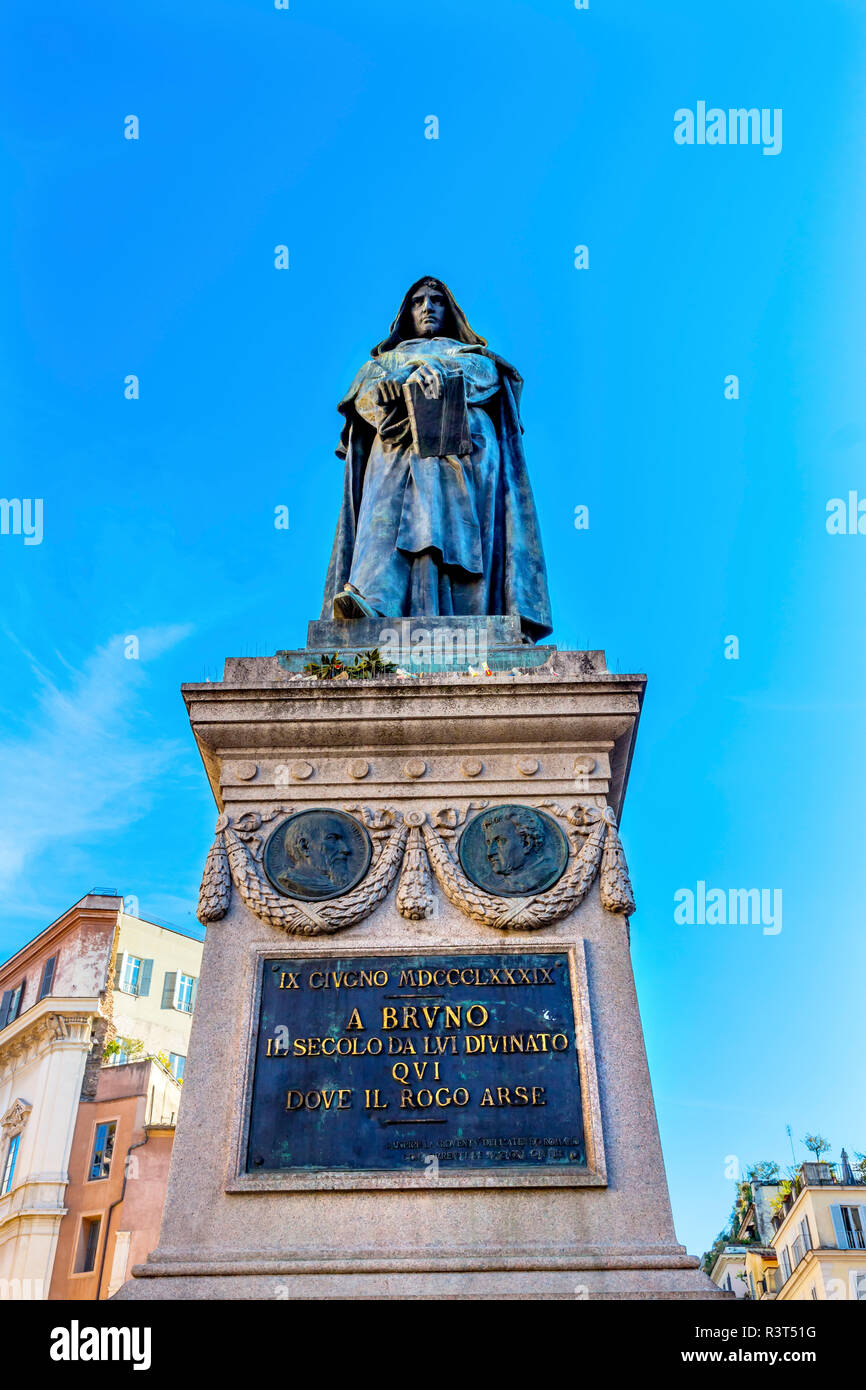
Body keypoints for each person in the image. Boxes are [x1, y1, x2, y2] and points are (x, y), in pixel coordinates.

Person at [321, 277, 552, 641]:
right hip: (397, 448)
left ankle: (478, 615)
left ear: (450, 310)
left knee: (465, 529)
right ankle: (375, 601)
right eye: (417, 301)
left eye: (436, 300)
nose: (427, 307)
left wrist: (441, 372)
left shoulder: (473, 357)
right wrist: (401, 378)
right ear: (406, 314)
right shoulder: (382, 363)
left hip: (467, 449)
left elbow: (488, 379)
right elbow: (364, 399)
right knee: (383, 519)